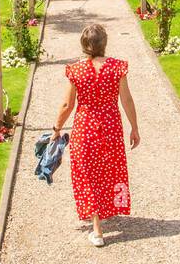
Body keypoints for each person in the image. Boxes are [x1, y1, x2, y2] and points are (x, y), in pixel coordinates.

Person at [52, 22, 140, 247]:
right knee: (112, 169)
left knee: (87, 173)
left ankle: (97, 228)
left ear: (84, 45)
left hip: (86, 128)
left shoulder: (77, 71)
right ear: (104, 44)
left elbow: (66, 104)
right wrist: (134, 127)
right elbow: (127, 100)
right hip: (111, 127)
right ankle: (112, 208)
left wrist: (57, 128)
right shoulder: (117, 68)